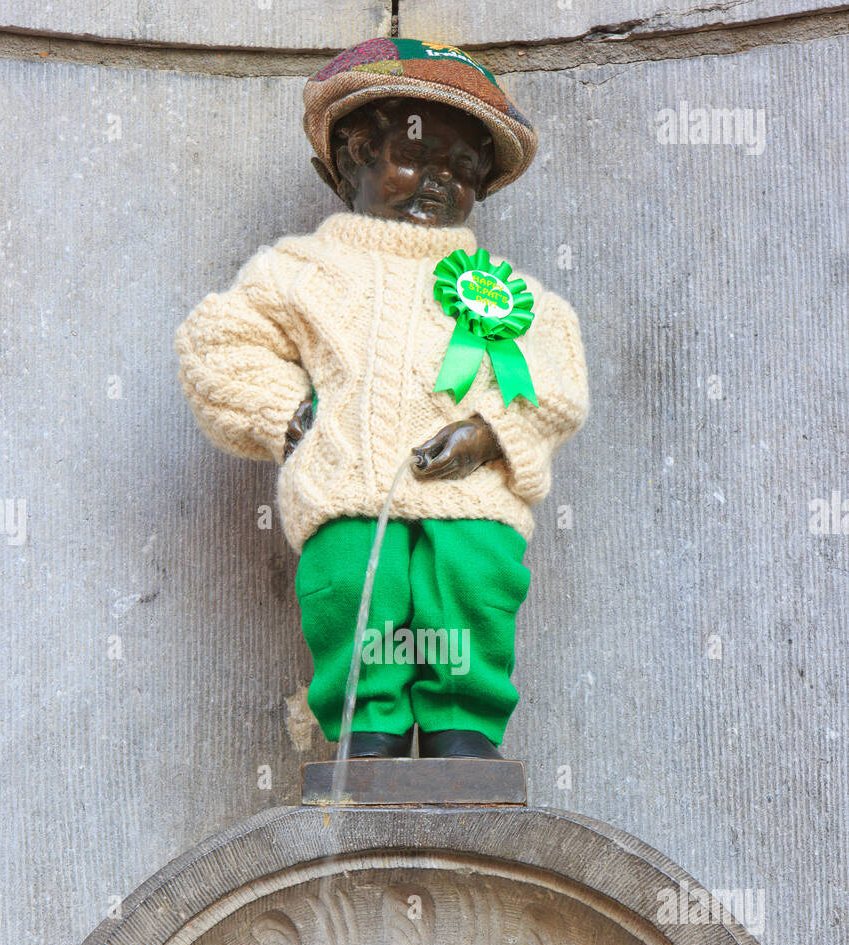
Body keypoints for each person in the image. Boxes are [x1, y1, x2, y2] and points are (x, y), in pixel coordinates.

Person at [175, 38, 589, 759]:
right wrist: (286, 412)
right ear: (350, 163)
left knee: (474, 592)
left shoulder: (505, 289)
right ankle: (368, 732)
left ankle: (465, 733)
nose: (438, 180)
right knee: (351, 595)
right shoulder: (302, 269)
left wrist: (493, 432)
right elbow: (216, 342)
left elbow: (557, 378)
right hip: (346, 488)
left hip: (473, 500)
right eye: (411, 157)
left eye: (462, 169)